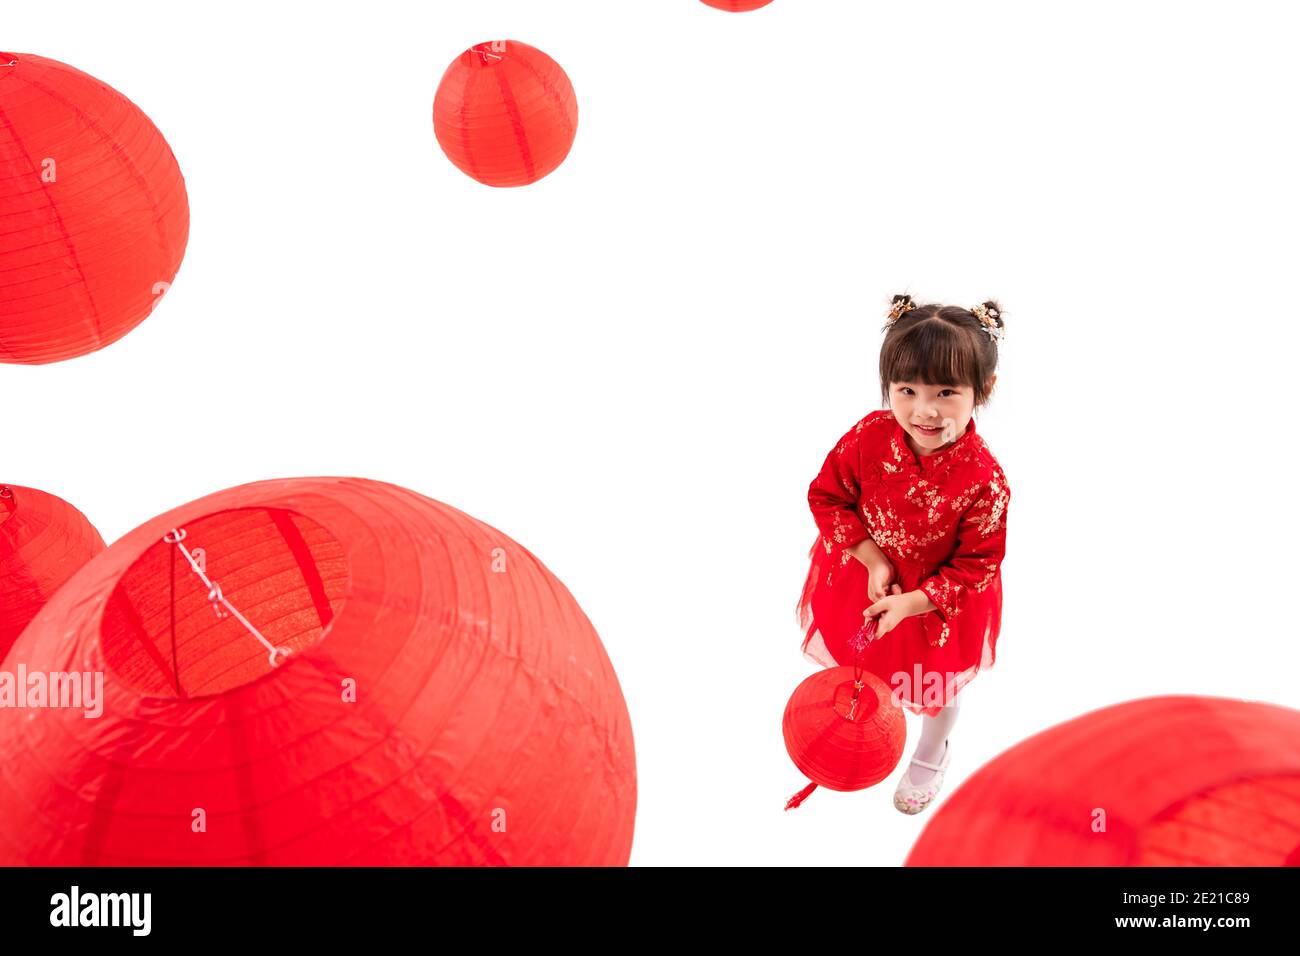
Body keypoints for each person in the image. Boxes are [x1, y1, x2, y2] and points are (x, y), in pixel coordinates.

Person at [796, 293, 1010, 814]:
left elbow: (978, 565)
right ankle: (862, 725)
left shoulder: (986, 481)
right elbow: (826, 494)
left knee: (934, 687)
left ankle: (933, 749)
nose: (924, 410)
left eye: (946, 391)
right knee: (865, 664)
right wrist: (871, 558)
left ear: (983, 389)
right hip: (867, 581)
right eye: (906, 389)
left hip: (936, 605)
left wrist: (916, 602)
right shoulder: (869, 437)